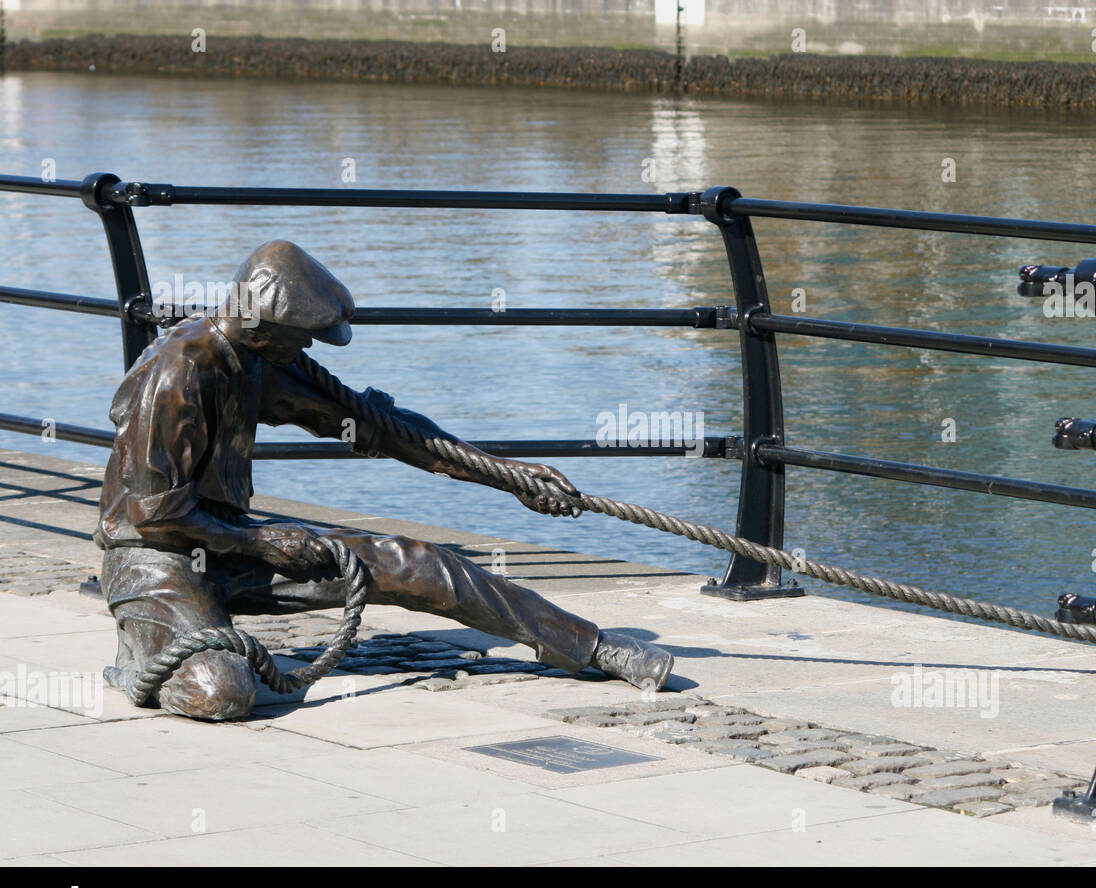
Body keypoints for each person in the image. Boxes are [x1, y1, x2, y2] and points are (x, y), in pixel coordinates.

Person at [95, 239, 672, 720]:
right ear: (264, 326)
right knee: (224, 694)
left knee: (420, 563)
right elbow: (151, 515)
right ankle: (141, 652)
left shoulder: (260, 361)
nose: (307, 351)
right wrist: (260, 541)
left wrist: (509, 477)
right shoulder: (179, 374)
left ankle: (590, 647)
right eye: (301, 338)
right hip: (155, 557)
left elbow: (383, 430)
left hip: (227, 541)